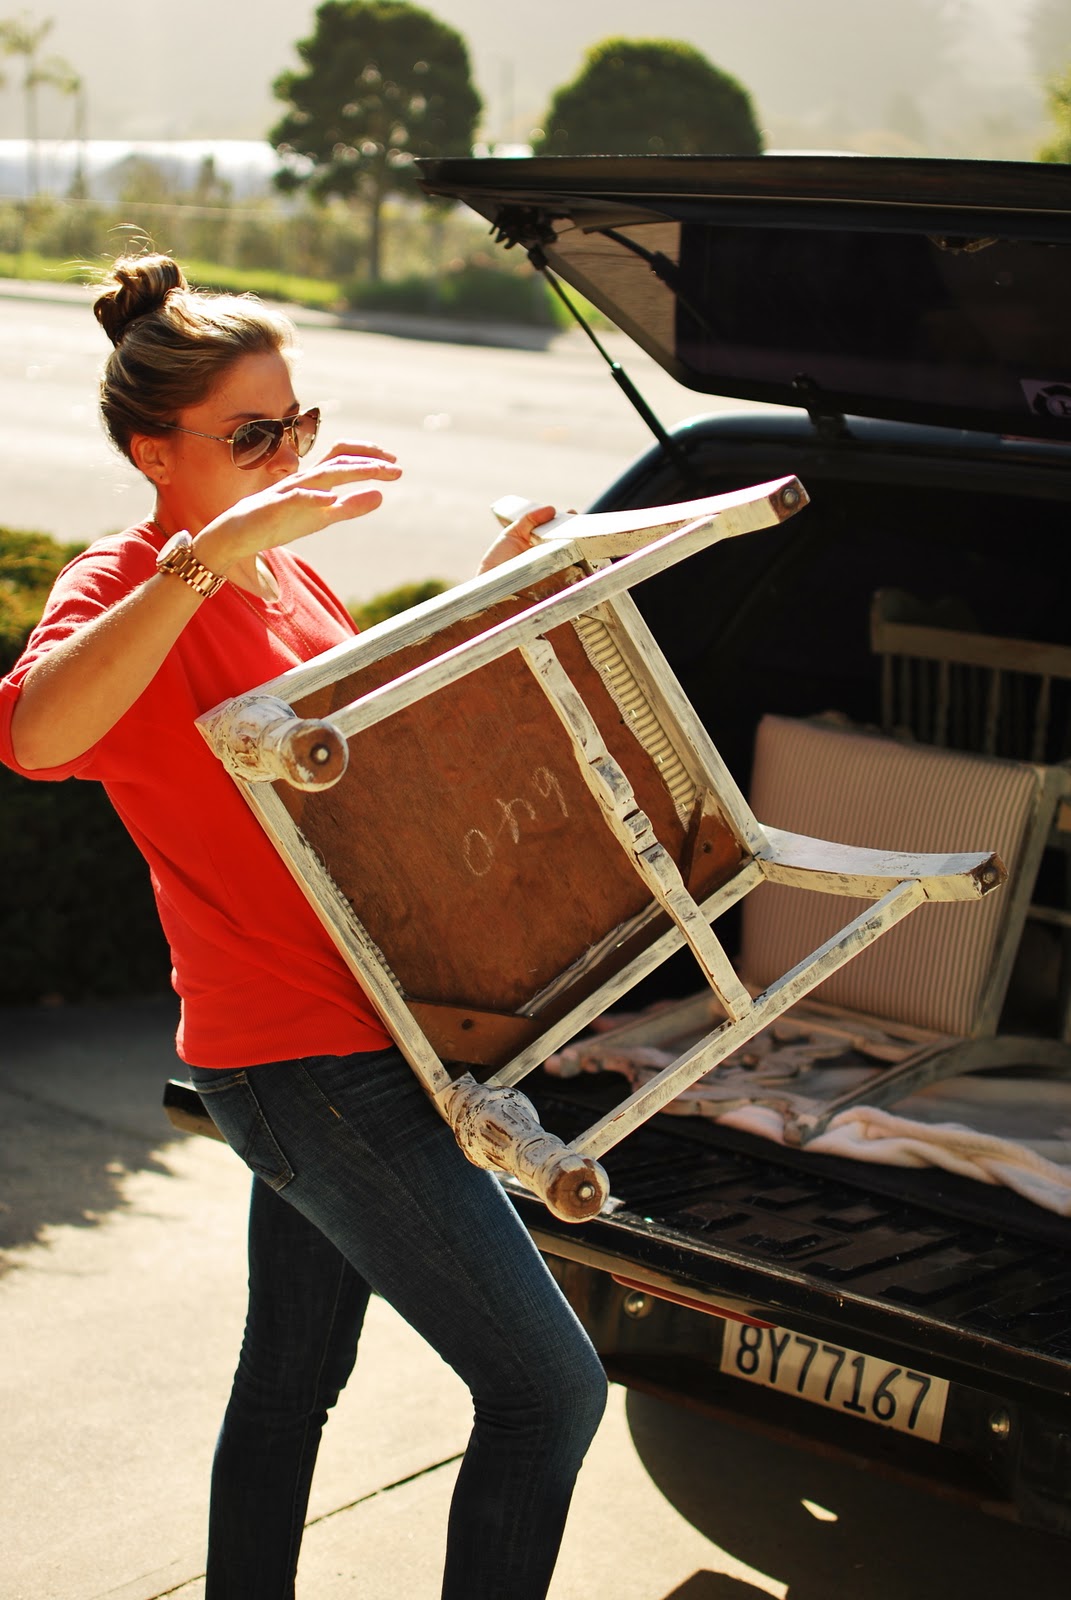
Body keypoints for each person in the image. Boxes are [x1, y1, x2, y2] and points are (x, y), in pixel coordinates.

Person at [0, 254, 607, 1600]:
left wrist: (493, 595)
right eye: (251, 434)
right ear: (155, 451)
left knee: (288, 1387)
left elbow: (375, 756)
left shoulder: (292, 580)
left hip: (377, 1036)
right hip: (301, 1065)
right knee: (551, 1393)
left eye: (298, 423)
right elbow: (35, 734)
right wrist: (198, 565)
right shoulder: (127, 581)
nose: (288, 455)